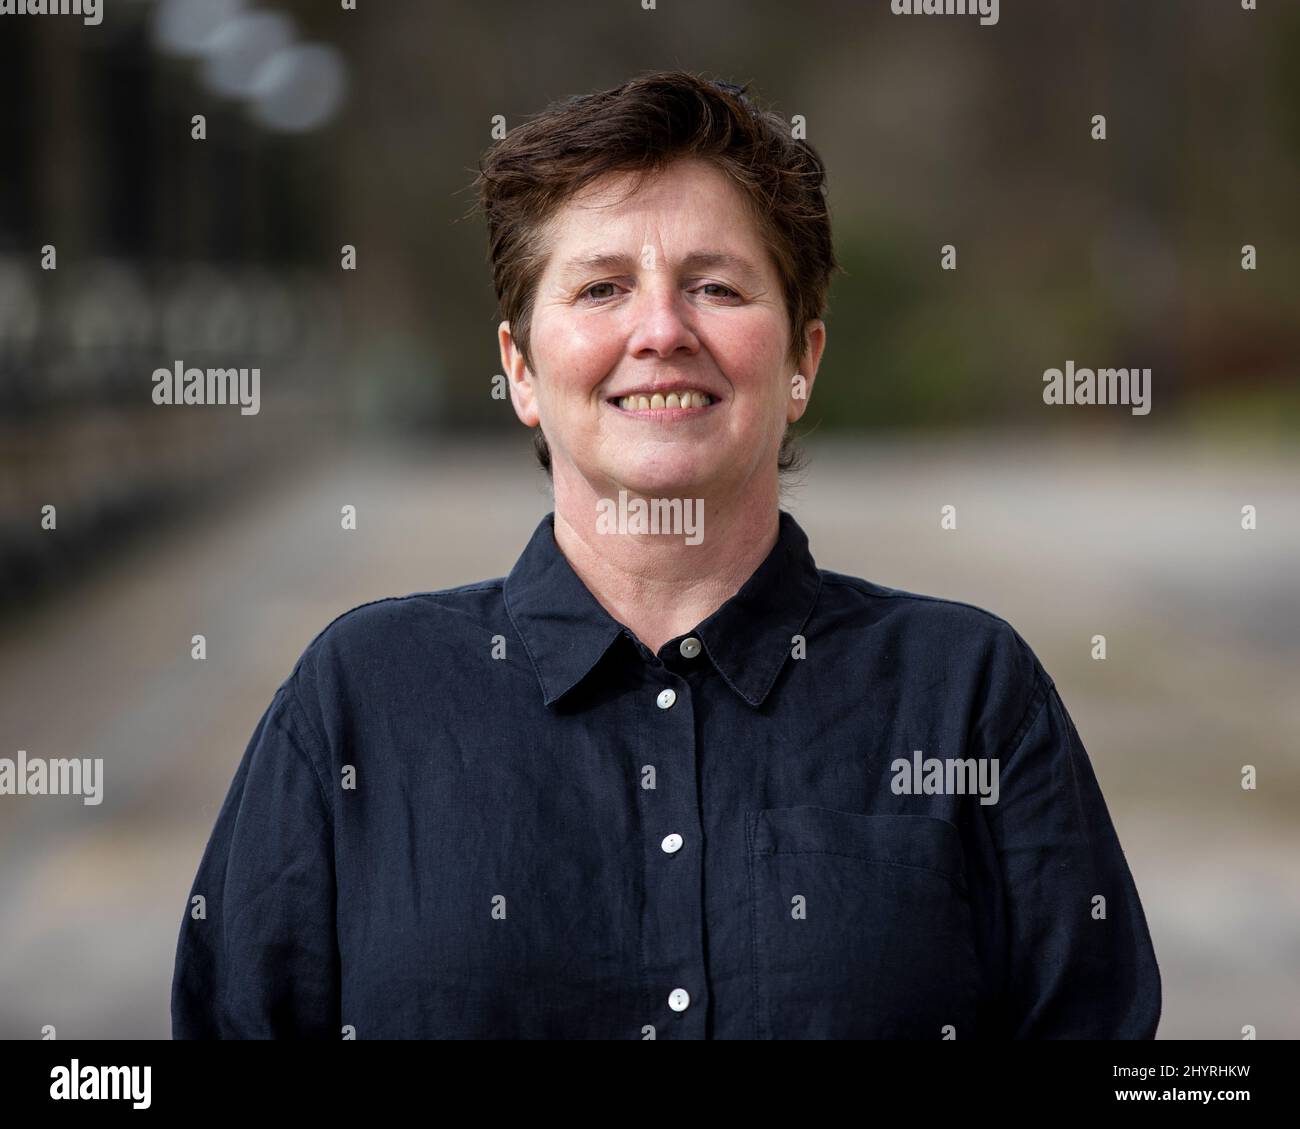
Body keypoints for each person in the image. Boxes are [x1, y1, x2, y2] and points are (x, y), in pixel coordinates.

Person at [171, 69, 1160, 1039]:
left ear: (802, 360)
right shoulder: (360, 699)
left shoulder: (969, 696)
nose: (660, 331)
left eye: (715, 286)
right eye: (601, 287)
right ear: (520, 368)